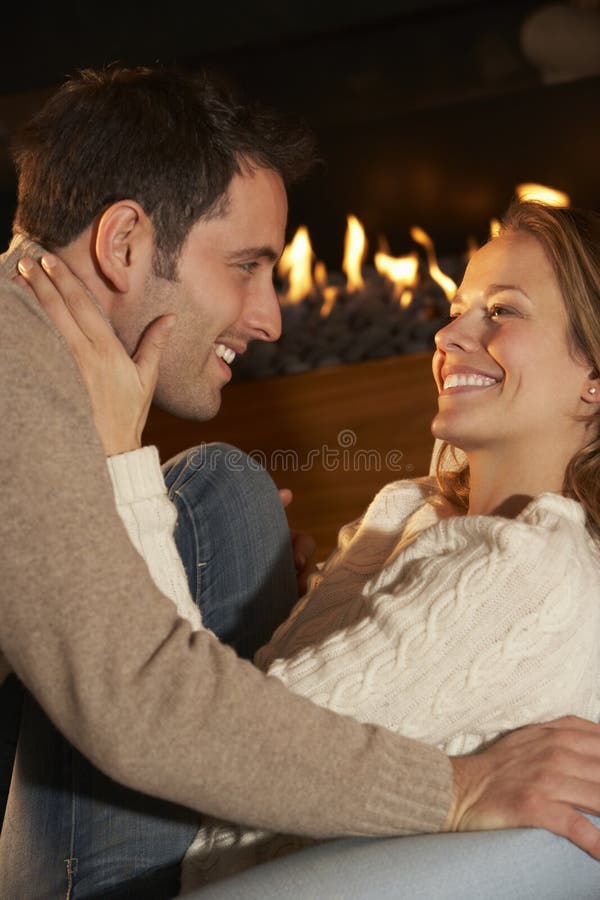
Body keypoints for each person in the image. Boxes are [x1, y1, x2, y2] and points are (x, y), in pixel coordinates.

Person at [1, 65, 600, 898]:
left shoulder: (524, 568)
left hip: (190, 821)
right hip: (149, 786)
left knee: (224, 488)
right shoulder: (16, 374)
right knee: (223, 493)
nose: (271, 317)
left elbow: (194, 735)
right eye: (247, 265)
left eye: (501, 311)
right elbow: (157, 718)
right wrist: (454, 785)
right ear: (125, 243)